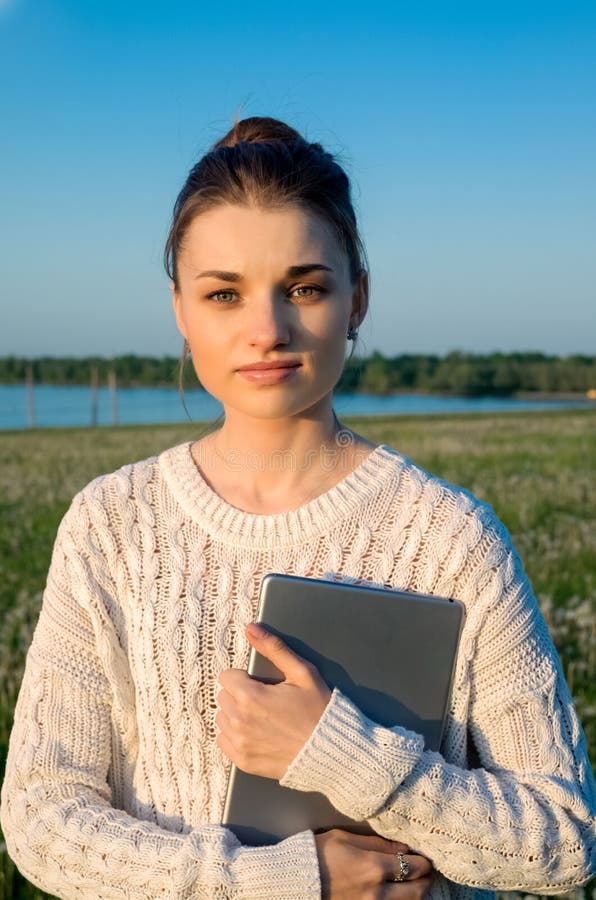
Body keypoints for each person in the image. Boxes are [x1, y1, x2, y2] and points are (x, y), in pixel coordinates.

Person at [1, 116, 594, 900]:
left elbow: (564, 840)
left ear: (358, 300)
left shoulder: (453, 539)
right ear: (180, 311)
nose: (267, 330)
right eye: (224, 294)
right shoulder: (110, 526)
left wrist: (344, 754)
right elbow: (42, 819)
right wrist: (282, 878)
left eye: (305, 288)